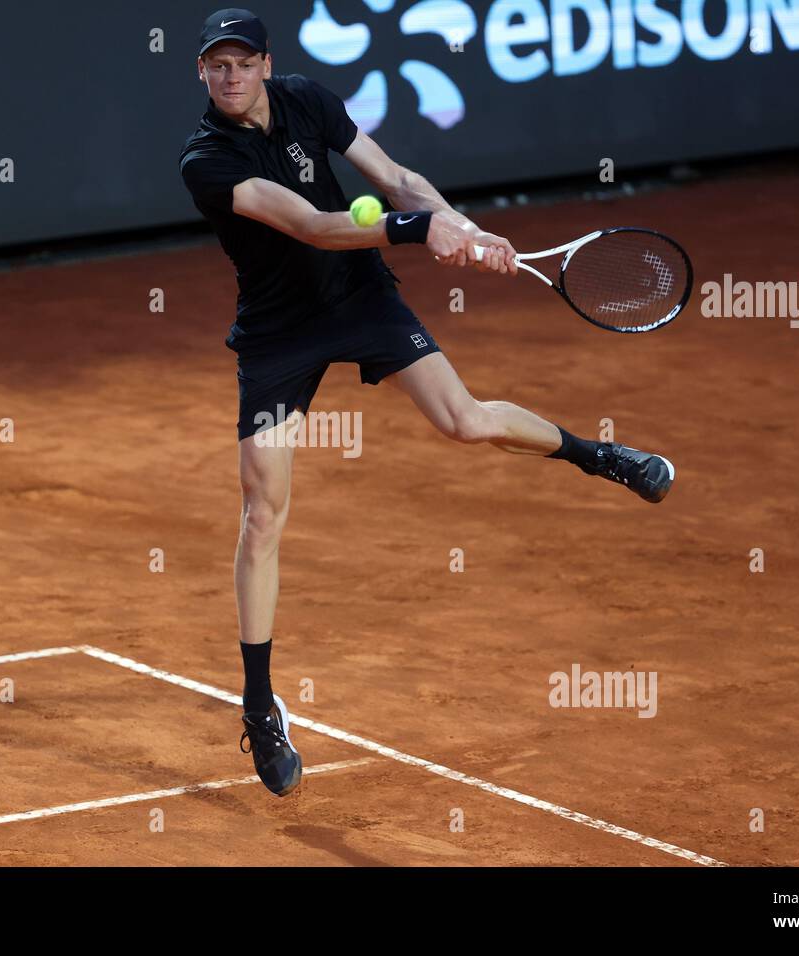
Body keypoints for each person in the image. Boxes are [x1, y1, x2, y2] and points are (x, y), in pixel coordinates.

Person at [179, 8, 674, 797]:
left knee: (466, 420)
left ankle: (600, 456)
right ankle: (260, 700)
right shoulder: (205, 160)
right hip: (279, 333)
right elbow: (310, 224)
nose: (230, 76)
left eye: (242, 62)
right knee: (263, 511)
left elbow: (397, 178)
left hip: (361, 300)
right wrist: (416, 231)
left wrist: (464, 228)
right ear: (201, 74)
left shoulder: (309, 97)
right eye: (216, 65)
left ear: (267, 64)